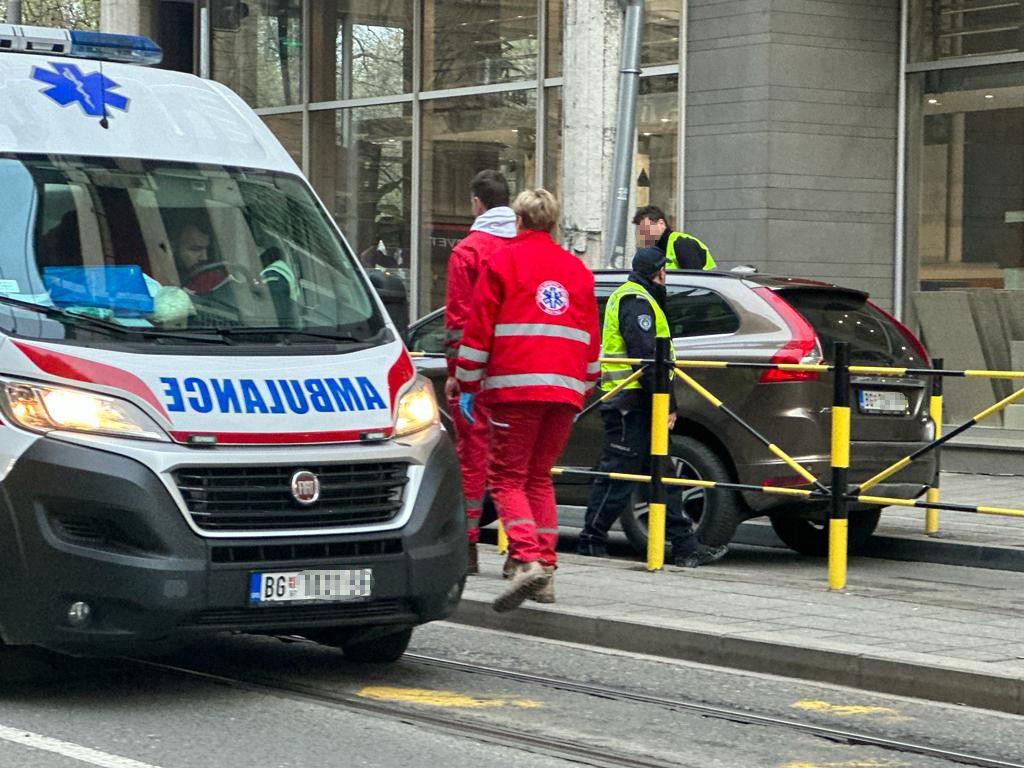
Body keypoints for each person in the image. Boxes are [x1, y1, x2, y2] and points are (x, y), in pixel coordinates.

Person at [455, 188, 599, 612]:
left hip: (514, 389)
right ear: (554, 224)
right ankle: (547, 573)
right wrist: (583, 386)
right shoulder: (577, 270)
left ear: (517, 221)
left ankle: (527, 558)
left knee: (506, 477)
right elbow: (590, 343)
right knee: (539, 477)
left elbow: (478, 331)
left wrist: (466, 383)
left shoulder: (501, 262)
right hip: (566, 391)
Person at [575, 246, 728, 568]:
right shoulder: (637, 301)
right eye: (664, 271)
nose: (666, 276)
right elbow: (648, 358)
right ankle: (591, 539)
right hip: (631, 403)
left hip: (638, 401)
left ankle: (686, 546)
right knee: (618, 475)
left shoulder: (639, 298)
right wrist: (666, 403)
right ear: (658, 272)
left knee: (663, 474)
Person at [443, 170, 517, 575]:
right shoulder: (523, 250)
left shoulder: (468, 252)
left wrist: (457, 373)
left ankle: (468, 548)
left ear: (476, 203)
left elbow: (458, 321)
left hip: (477, 376)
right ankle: (518, 552)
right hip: (520, 373)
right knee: (515, 467)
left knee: (472, 460)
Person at [632, 205, 715, 271]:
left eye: (646, 228)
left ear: (661, 223)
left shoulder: (681, 243)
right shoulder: (656, 248)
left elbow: (694, 280)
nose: (643, 233)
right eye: (641, 230)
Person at [172, 222, 226, 294]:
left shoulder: (212, 279)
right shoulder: (156, 276)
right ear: (173, 248)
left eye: (207, 249)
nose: (204, 258)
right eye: (195, 249)